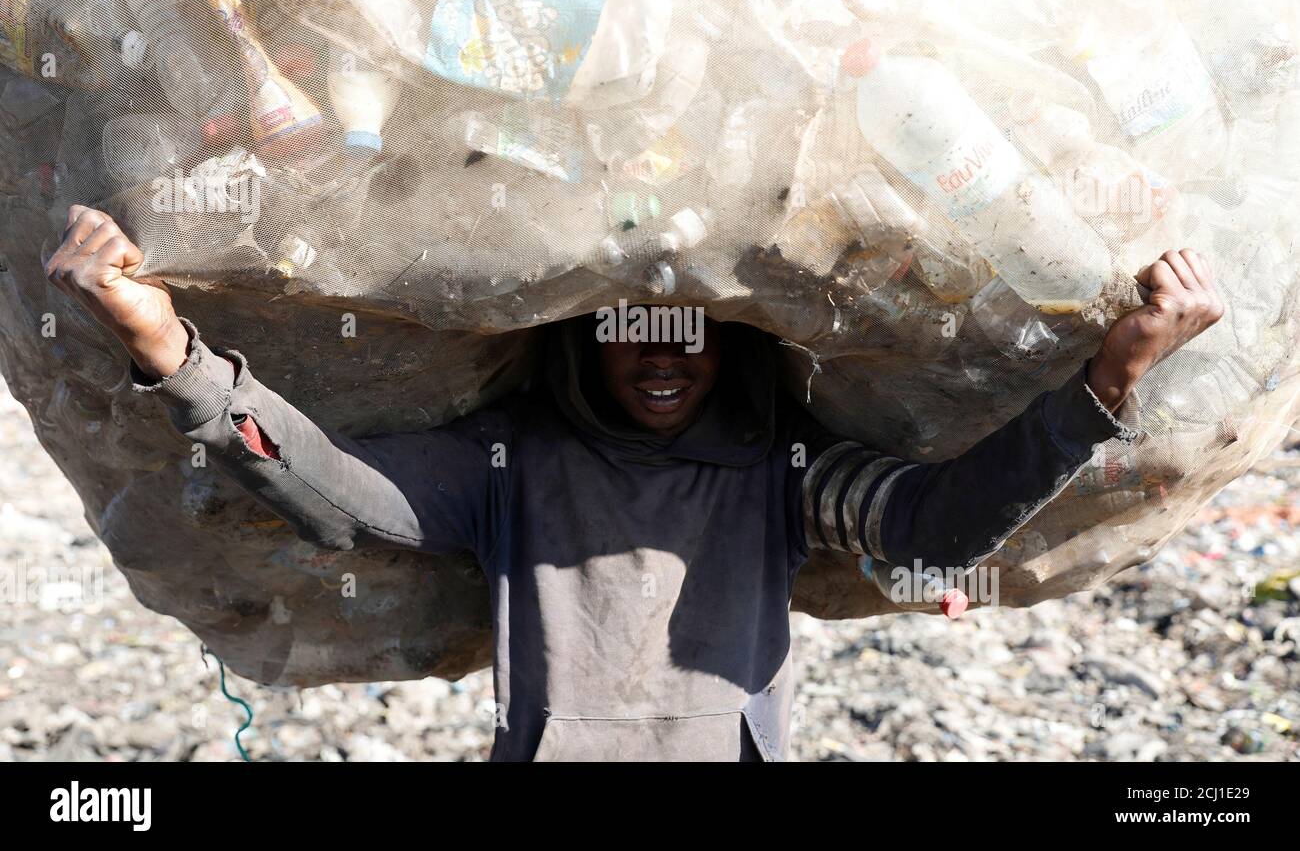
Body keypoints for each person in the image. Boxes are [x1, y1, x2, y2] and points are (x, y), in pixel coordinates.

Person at [44, 204, 1224, 761]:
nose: (663, 356)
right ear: (578, 336)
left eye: (690, 334)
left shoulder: (781, 464)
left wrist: (1109, 376)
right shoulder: (514, 460)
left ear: (734, 342)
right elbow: (339, 494)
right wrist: (173, 356)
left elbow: (933, 521)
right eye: (630, 332)